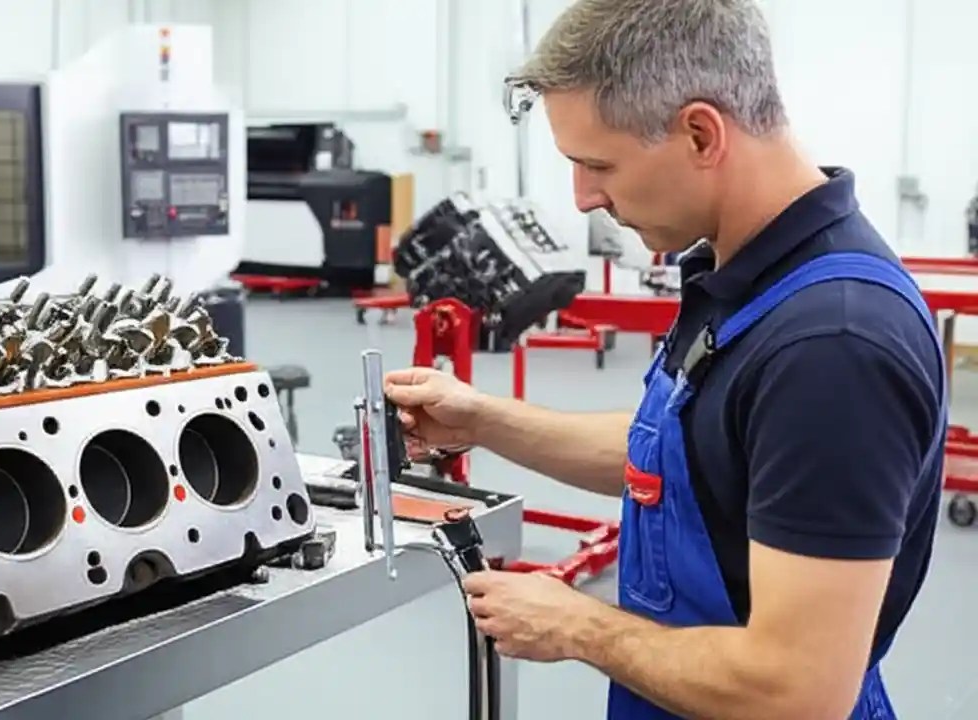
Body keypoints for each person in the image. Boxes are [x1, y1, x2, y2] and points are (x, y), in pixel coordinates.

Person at [383, 1, 946, 718]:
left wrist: (576, 624)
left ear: (701, 133)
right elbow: (687, 459)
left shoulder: (832, 346)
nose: (583, 197)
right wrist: (483, 421)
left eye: (597, 164)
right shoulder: (743, 273)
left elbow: (795, 692)